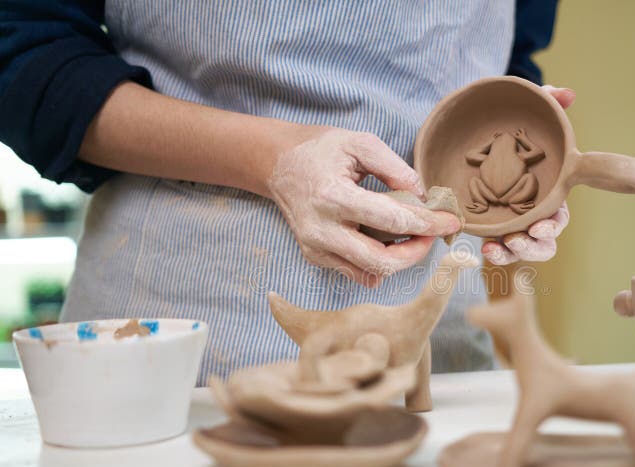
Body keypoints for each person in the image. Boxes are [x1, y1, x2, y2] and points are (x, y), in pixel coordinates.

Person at [0, 1, 573, 382]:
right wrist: (271, 158)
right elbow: (23, 50)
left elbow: (507, 58)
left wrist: (509, 182)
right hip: (188, 318)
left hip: (440, 333)